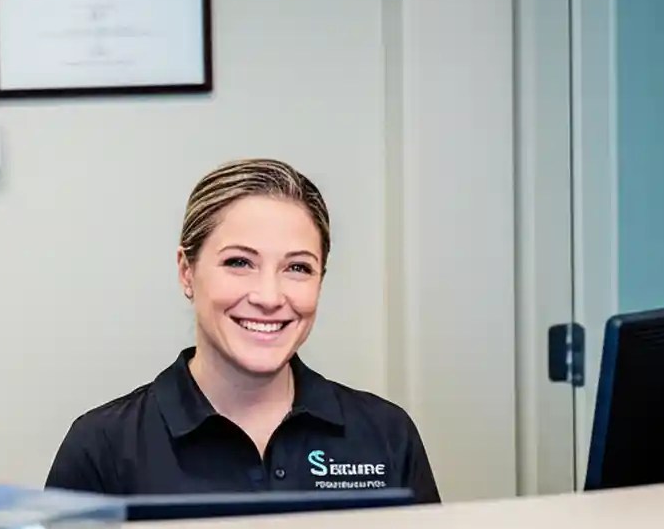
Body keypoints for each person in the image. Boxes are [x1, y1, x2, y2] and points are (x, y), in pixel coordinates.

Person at [45, 158, 440, 503]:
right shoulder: (103, 447)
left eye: (297, 268)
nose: (269, 296)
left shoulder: (387, 435)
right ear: (187, 271)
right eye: (239, 262)